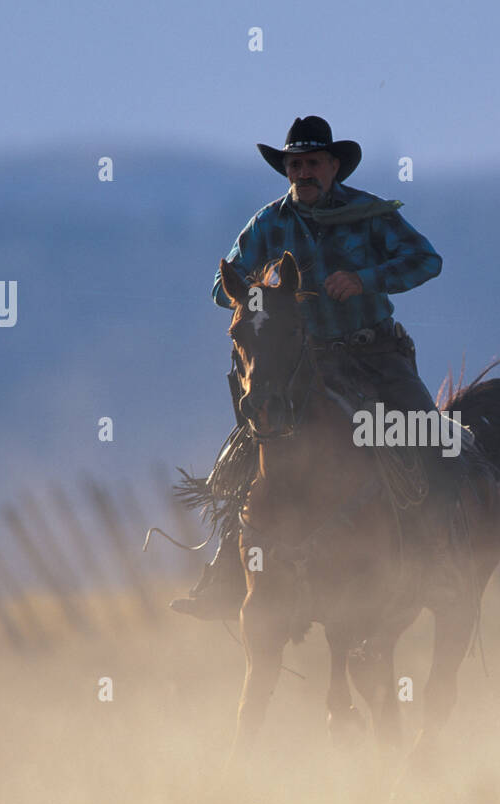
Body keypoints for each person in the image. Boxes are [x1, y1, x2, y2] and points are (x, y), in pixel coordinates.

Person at [172, 116, 445, 619]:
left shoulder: (369, 215)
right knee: (244, 463)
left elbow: (427, 260)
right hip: (305, 363)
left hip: (377, 355)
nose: (303, 172)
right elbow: (221, 291)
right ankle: (224, 577)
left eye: (312, 163)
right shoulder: (267, 223)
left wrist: (366, 279)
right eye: (294, 164)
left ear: (334, 165)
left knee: (425, 437)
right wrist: (267, 286)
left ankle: (441, 560)